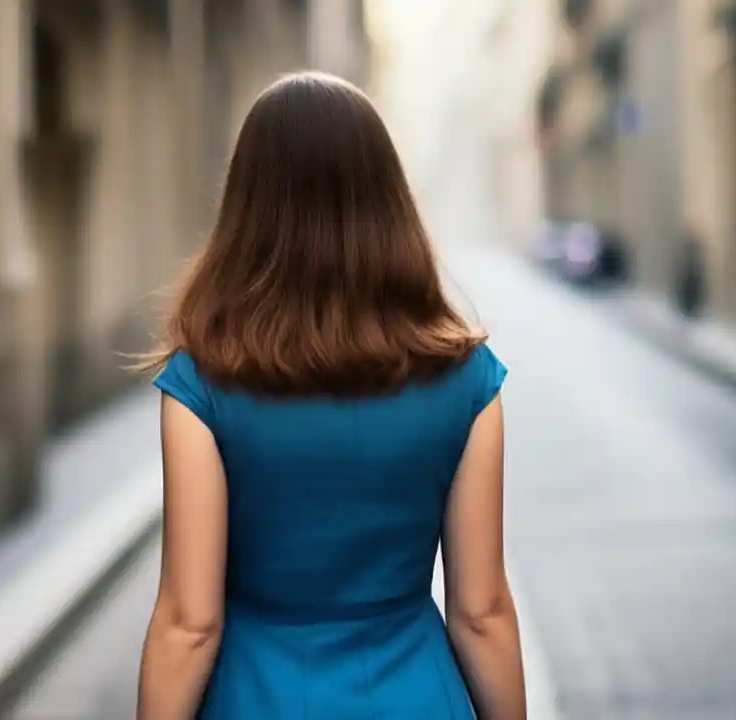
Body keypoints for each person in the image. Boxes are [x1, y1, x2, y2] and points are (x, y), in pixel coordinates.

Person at [136, 71, 526, 720]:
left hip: (256, 698)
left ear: (247, 205)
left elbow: (190, 624)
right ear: (389, 200)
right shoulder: (468, 379)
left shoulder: (201, 382)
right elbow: (481, 612)